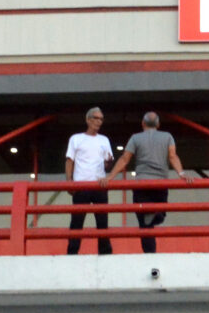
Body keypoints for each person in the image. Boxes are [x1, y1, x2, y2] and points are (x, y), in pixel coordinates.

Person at [112, 110, 188, 255]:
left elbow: (124, 159)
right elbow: (172, 156)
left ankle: (149, 253)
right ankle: (155, 214)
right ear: (158, 124)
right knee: (160, 216)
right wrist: (181, 173)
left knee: (144, 225)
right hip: (160, 183)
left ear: (142, 124)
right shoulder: (167, 137)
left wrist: (110, 177)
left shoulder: (135, 138)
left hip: (141, 184)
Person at [66, 105, 115, 255]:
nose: (99, 122)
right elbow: (69, 160)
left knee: (102, 222)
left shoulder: (104, 140)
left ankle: (105, 254)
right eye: (96, 118)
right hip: (81, 184)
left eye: (101, 119)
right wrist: (69, 181)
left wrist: (108, 162)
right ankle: (72, 254)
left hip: (99, 184)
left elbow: (107, 163)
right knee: (77, 222)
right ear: (88, 120)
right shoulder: (76, 138)